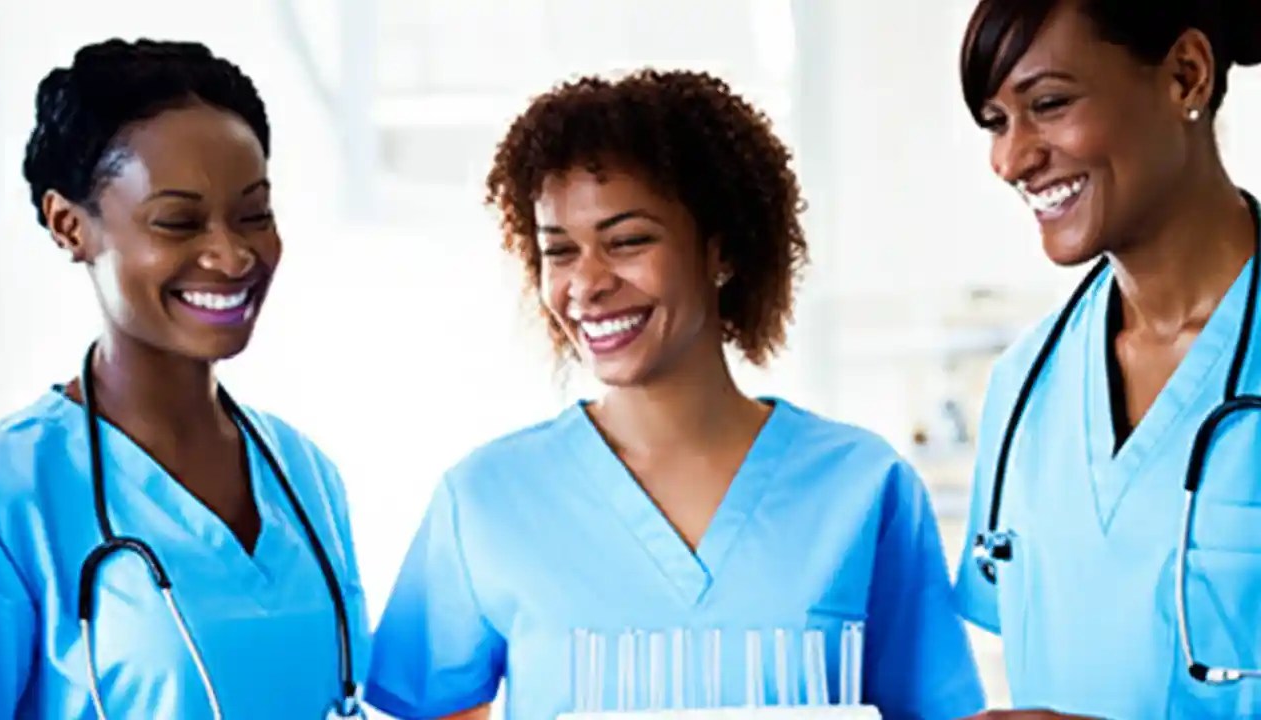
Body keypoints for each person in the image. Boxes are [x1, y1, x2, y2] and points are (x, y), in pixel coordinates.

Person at [363, 68, 985, 720]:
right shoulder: (487, 498)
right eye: (560, 251)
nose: (588, 283)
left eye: (628, 241)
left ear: (722, 250)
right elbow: (427, 710)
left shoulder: (862, 485)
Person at [0, 39, 369, 718]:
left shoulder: (305, 474)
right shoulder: (7, 497)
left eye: (254, 214)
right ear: (70, 226)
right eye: (178, 222)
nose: (231, 253)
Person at [952, 1, 1261, 718]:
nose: (1010, 160)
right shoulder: (1023, 388)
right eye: (997, 122)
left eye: (1049, 104)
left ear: (1186, 76)